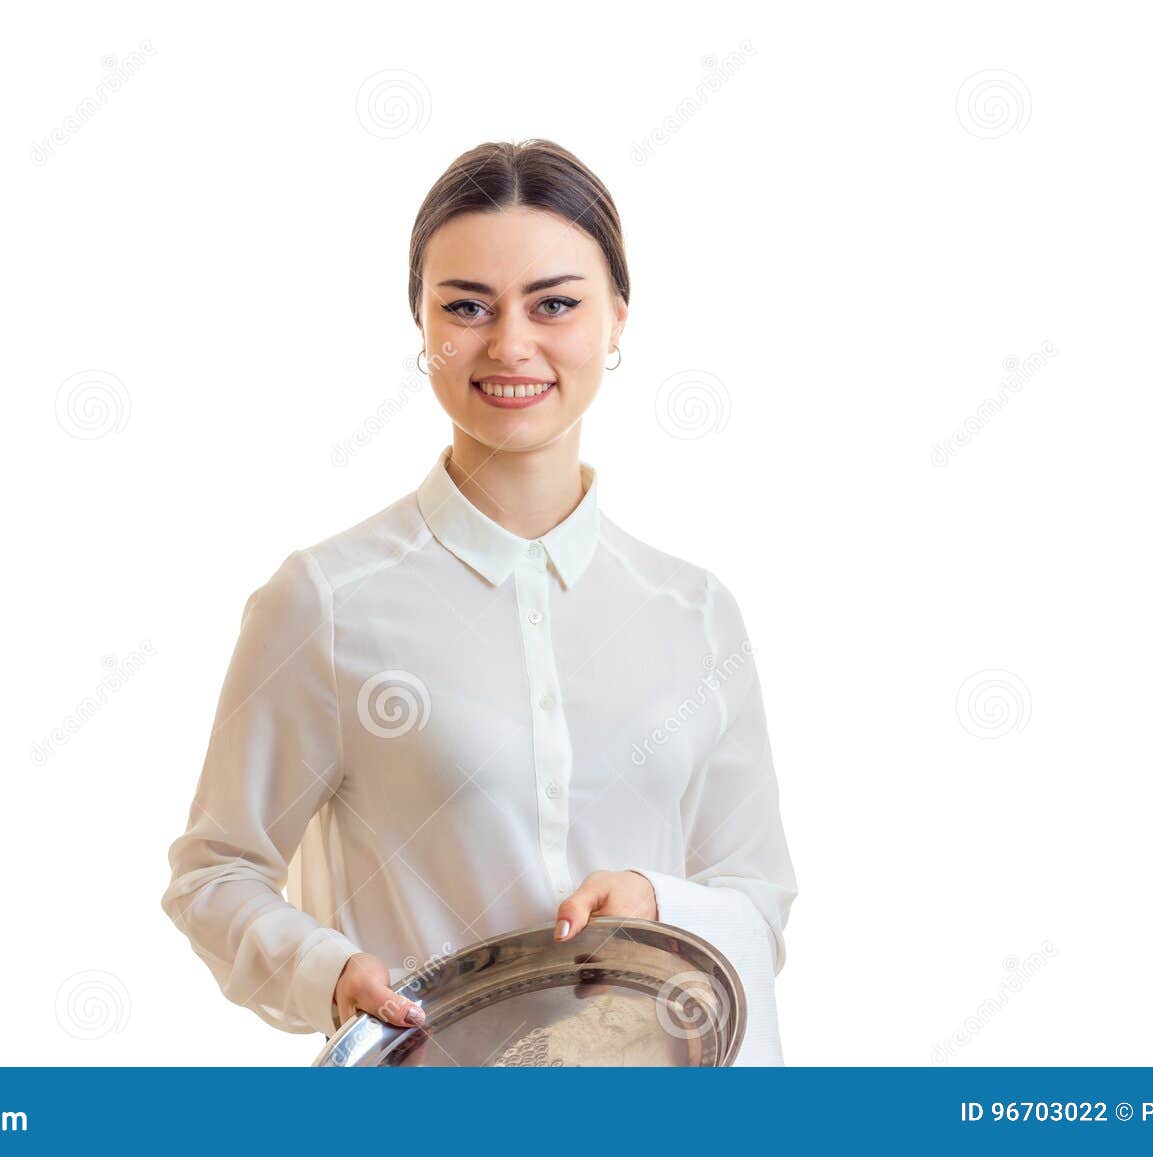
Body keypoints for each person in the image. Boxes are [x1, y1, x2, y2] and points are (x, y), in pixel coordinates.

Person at [160, 138, 798, 1065]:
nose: (509, 344)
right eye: (466, 306)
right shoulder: (327, 600)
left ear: (618, 318)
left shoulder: (694, 614)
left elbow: (758, 895)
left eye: (555, 304)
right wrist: (332, 972)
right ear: (421, 325)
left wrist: (657, 906)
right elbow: (214, 872)